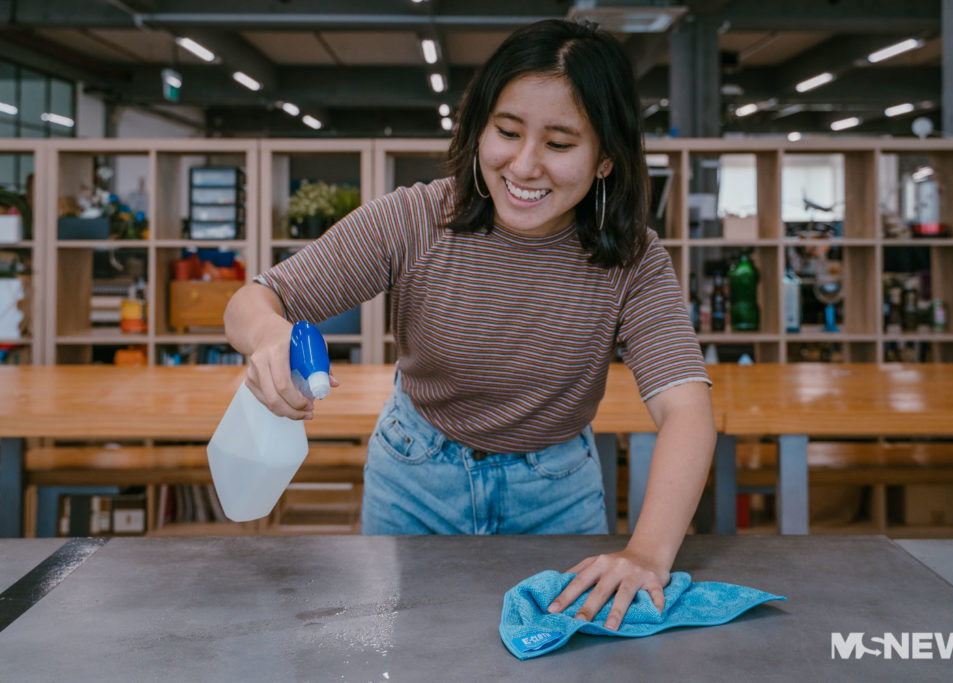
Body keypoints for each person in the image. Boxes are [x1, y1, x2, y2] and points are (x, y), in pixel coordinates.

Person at [224, 19, 714, 632]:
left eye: (560, 143)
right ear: (479, 126)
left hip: (556, 493)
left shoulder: (632, 260)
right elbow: (255, 299)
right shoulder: (416, 219)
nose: (524, 165)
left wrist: (647, 554)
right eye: (506, 132)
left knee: (563, 664)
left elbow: (686, 410)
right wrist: (268, 335)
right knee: (408, 651)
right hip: (413, 480)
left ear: (606, 158)